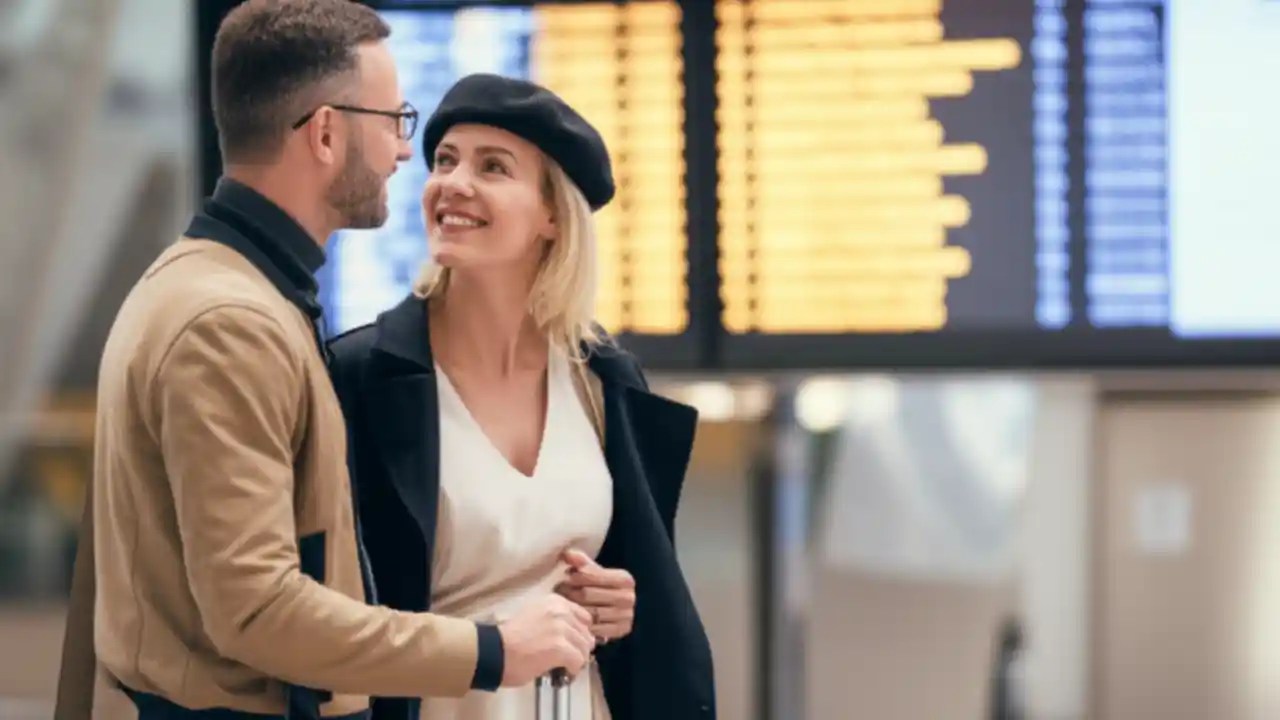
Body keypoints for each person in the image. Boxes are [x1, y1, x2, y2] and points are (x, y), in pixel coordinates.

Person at [54, 5, 594, 719]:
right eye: (394, 123)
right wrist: (491, 652)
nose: (405, 154)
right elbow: (256, 612)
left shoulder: (219, 292)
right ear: (328, 133)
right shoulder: (228, 324)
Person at [327, 73, 717, 720]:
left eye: (493, 167)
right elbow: (322, 615)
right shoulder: (359, 377)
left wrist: (622, 606)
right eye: (445, 160)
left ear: (552, 217)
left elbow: (646, 609)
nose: (453, 183)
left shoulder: (605, 384)